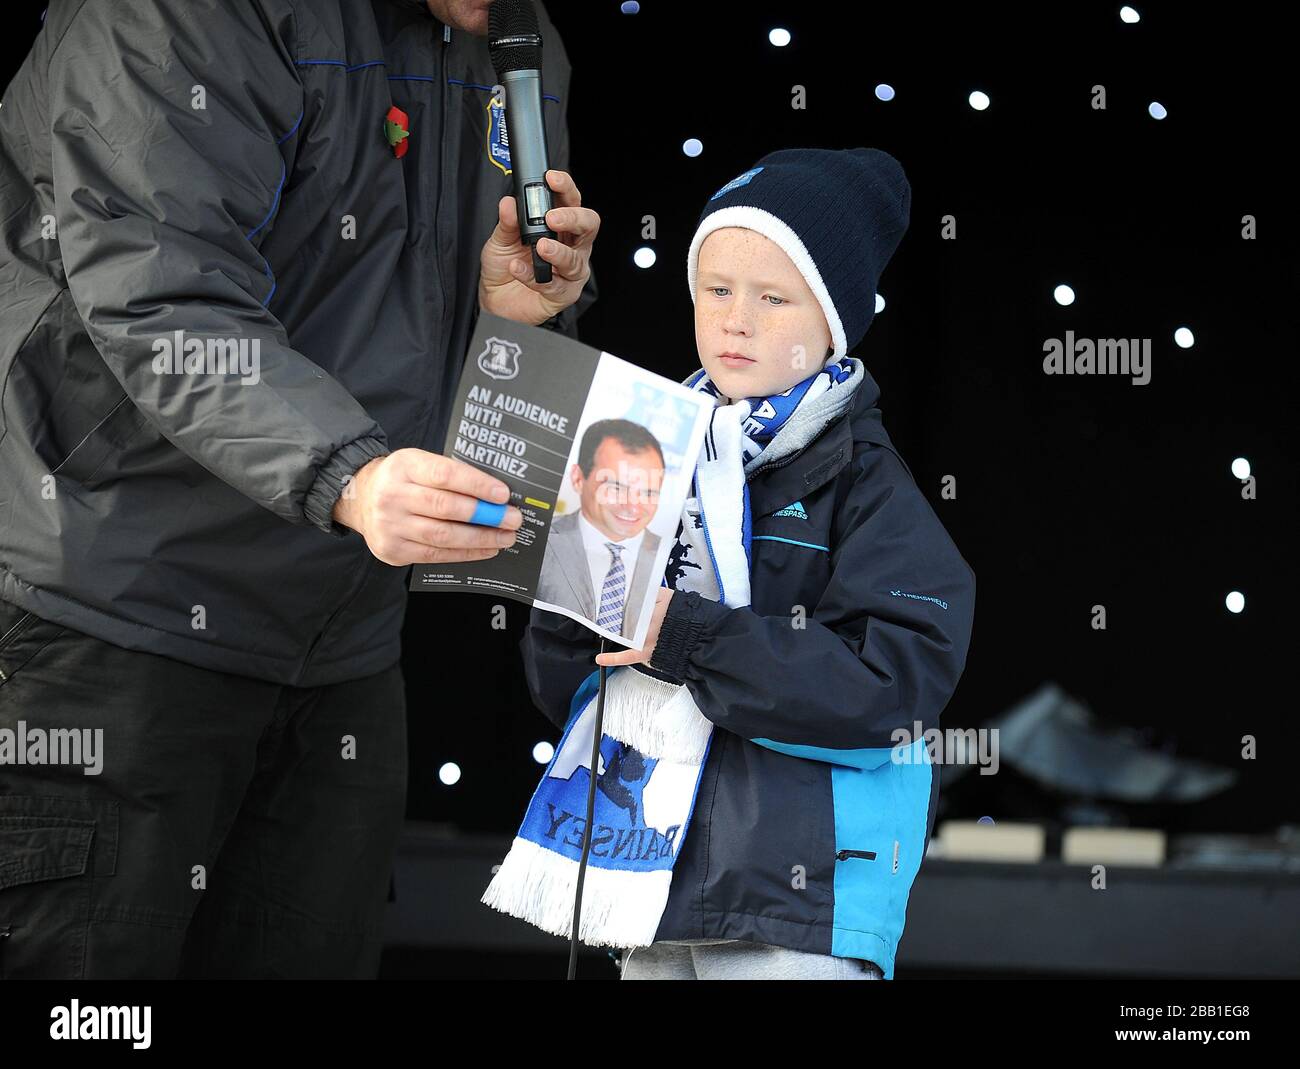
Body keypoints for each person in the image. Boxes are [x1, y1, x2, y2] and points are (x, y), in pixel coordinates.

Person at [0, 0, 598, 978]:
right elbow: (161, 292)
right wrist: (349, 475)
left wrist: (516, 325)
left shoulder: (518, 39)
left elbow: (432, 322)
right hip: (109, 608)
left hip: (343, 641)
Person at [517, 147, 975, 980]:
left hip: (799, 901)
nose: (736, 320)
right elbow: (570, 688)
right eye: (718, 289)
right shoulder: (649, 449)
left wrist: (688, 636)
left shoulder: (867, 483)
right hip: (649, 875)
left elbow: (893, 687)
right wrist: (567, 587)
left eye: (773, 297)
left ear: (833, 321)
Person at [535, 420, 665, 641]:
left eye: (647, 492)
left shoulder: (673, 555)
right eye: (616, 488)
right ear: (578, 479)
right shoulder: (538, 540)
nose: (633, 506)